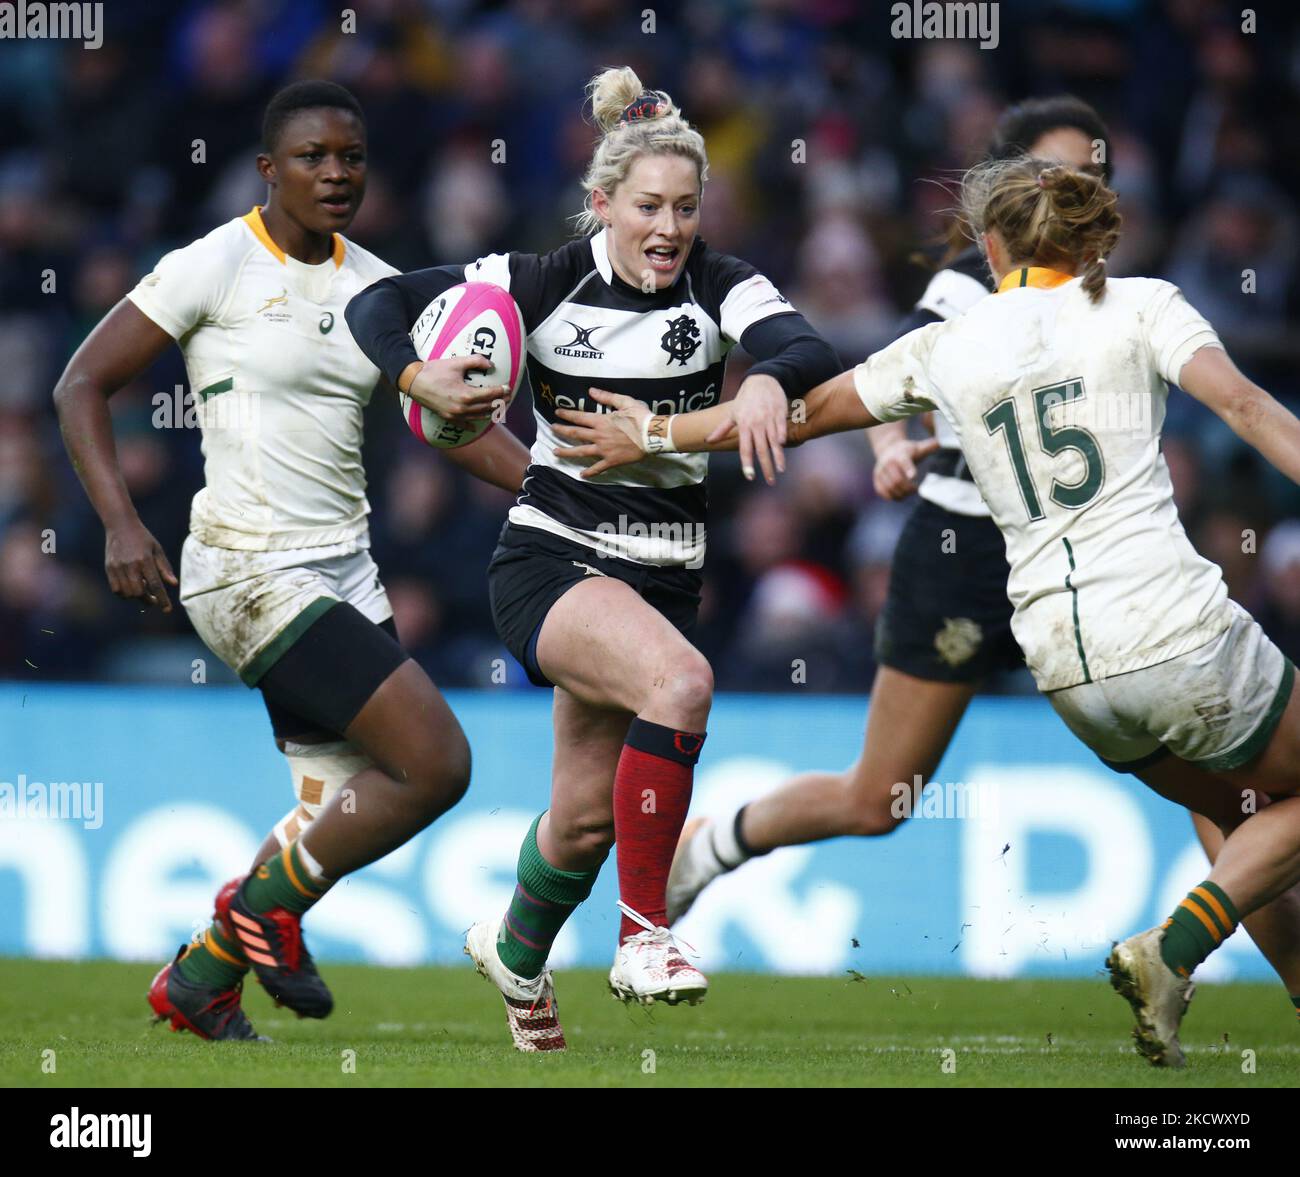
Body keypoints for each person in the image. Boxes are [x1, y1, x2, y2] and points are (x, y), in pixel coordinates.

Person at [553, 155, 1300, 1067]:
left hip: (1070, 674)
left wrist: (656, 430)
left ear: (991, 247)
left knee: (1256, 813)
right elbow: (1249, 406)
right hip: (1174, 629)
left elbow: (793, 415)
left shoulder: (951, 342)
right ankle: (1172, 949)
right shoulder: (1144, 304)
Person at [345, 66, 840, 1052]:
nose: (668, 229)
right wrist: (418, 373)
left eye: (686, 209)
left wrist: (760, 386)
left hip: (661, 573)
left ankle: (514, 947)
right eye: (648, 207)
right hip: (554, 558)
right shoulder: (533, 278)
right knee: (682, 683)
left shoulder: (722, 282)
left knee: (581, 819)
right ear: (602, 203)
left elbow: (808, 350)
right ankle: (644, 937)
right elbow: (379, 302)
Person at [53, 81, 530, 1041]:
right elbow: (80, 384)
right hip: (245, 568)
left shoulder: (381, 289)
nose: (336, 173)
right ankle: (257, 914)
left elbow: (443, 421)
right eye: (312, 157)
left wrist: (552, 491)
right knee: (436, 762)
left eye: (350, 157)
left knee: (330, 812)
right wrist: (119, 523)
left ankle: (202, 977)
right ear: (269, 170)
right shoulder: (214, 264)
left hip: (343, 573)